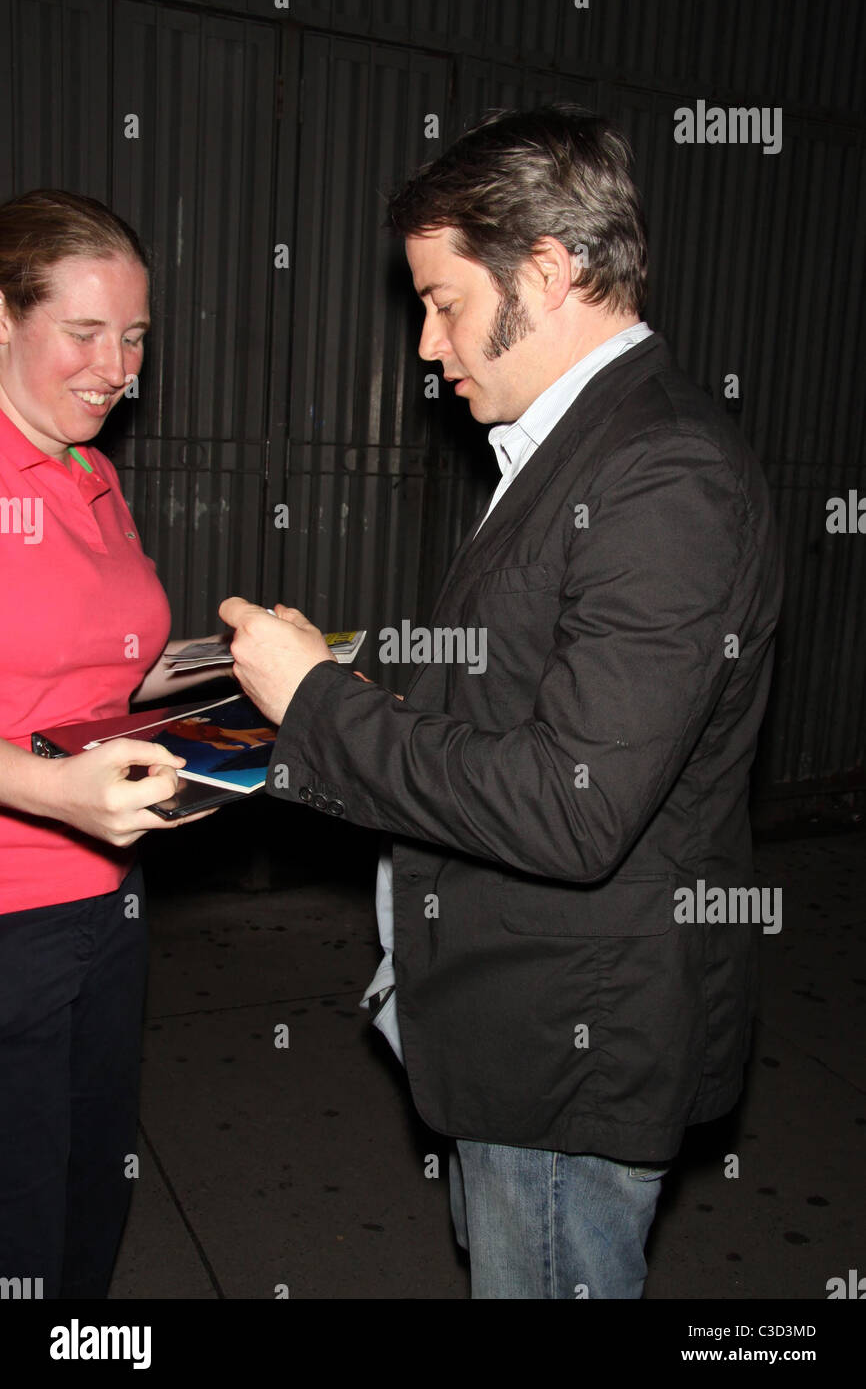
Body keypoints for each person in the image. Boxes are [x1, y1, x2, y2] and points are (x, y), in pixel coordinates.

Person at [221, 104, 784, 1299]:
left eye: (443, 302)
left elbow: (571, 808)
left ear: (547, 268)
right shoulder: (575, 444)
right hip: (512, 1014)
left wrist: (317, 703)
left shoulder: (658, 473)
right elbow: (537, 698)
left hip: (564, 1041)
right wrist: (385, 699)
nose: (427, 345)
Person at [0, 189, 222, 1299]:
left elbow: (98, 668)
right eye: (84, 333)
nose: (117, 366)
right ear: (2, 313)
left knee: (94, 1190)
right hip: (6, 913)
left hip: (107, 900)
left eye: (134, 336)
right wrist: (46, 787)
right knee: (20, 1222)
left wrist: (243, 691)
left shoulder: (93, 473)